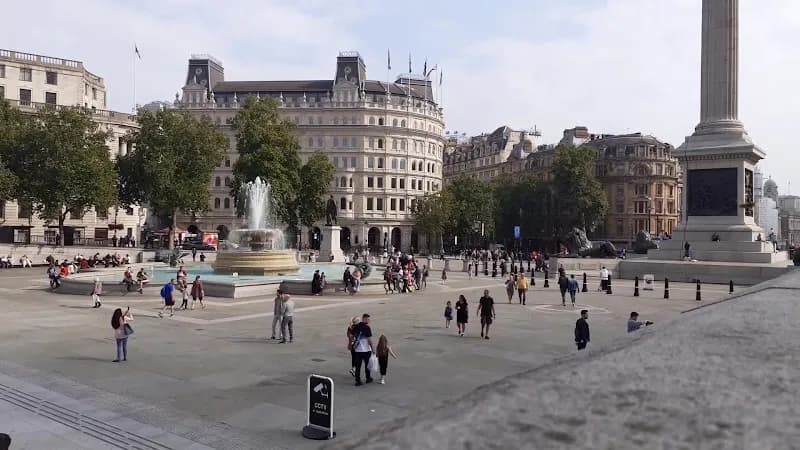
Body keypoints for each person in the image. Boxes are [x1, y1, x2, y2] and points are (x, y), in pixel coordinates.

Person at [351, 313, 375, 386]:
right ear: (364, 319)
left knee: (358, 366)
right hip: (366, 350)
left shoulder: (355, 327)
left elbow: (352, 336)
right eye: (368, 319)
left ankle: (357, 381)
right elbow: (369, 340)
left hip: (358, 350)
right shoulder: (367, 328)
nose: (369, 320)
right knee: (367, 365)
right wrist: (373, 349)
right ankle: (368, 378)